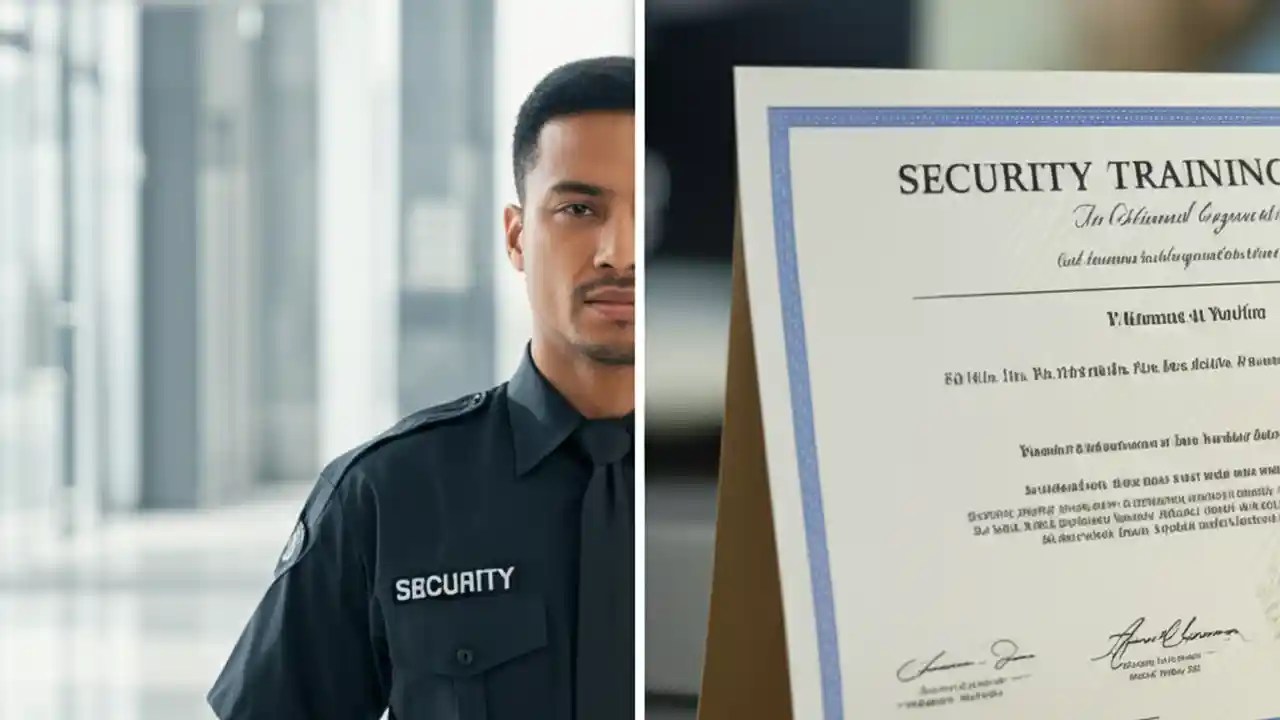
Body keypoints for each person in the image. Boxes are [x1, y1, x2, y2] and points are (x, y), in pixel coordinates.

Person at [207, 55, 635, 720]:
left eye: (648, 210)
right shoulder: (386, 494)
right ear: (517, 237)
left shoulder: (759, 493)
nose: (620, 251)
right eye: (579, 208)